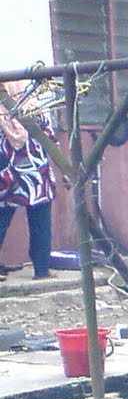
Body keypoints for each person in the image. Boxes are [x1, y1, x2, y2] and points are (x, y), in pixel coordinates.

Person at [0, 80, 55, 280]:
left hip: (6, 176)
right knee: (40, 223)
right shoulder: (34, 111)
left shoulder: (0, 113)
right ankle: (41, 270)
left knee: (1, 220)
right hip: (36, 178)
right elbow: (50, 138)